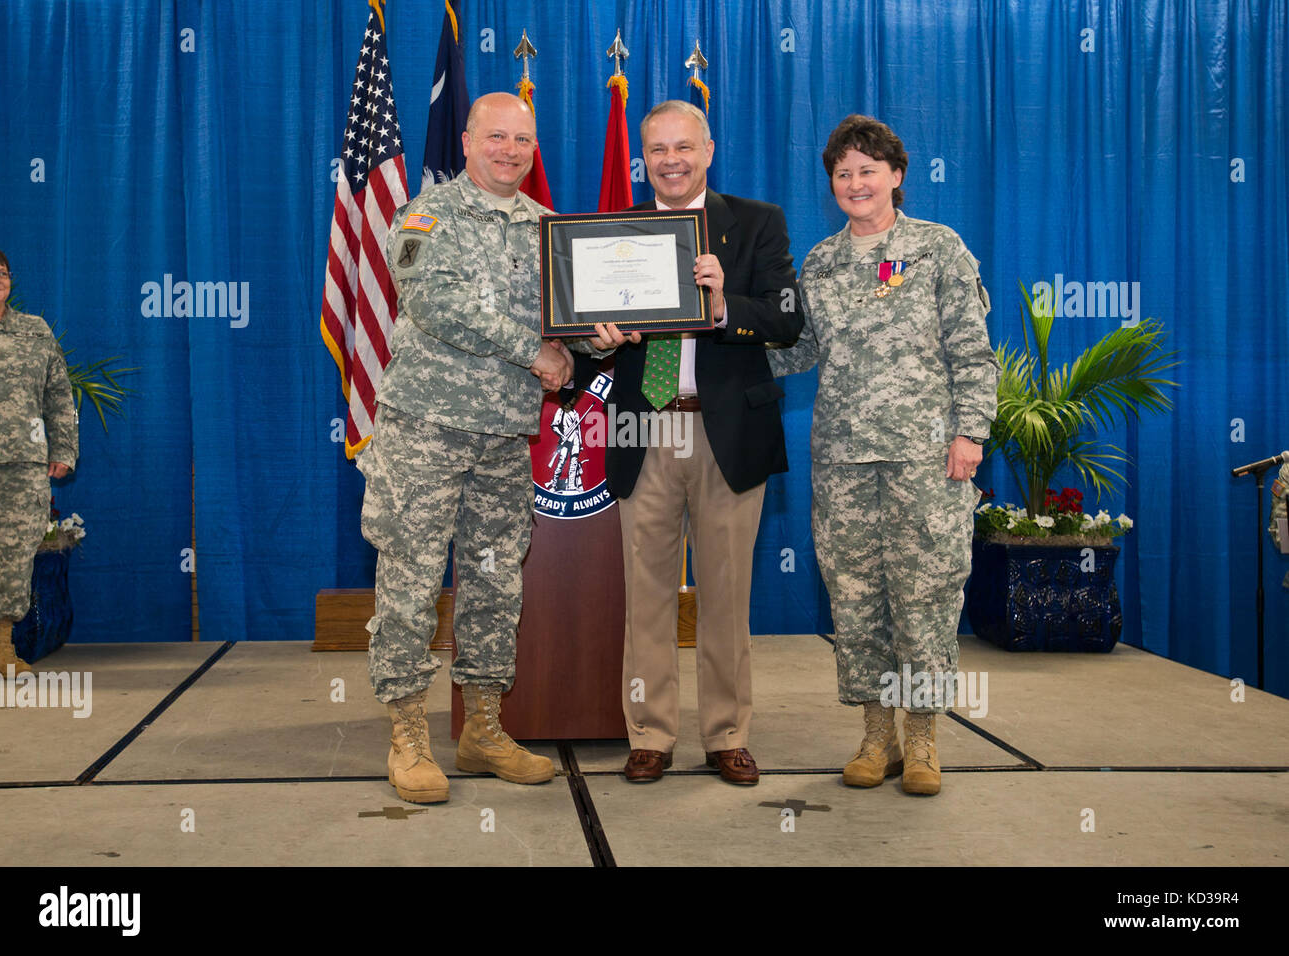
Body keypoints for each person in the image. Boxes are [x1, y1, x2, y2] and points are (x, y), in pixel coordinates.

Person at [362, 92, 608, 804]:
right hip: (425, 430)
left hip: (505, 437)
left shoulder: (550, 229)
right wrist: (536, 352)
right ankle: (408, 734)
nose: (510, 149)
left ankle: (483, 728)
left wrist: (609, 331)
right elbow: (434, 304)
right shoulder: (428, 215)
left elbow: (577, 321)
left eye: (522, 139)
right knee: (410, 582)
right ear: (467, 142)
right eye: (495, 136)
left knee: (497, 582)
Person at [769, 115, 999, 796]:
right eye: (843, 172)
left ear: (897, 176)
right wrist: (719, 322)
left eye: (869, 169)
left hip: (927, 461)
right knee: (857, 600)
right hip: (843, 464)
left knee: (924, 597)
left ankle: (923, 741)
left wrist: (971, 433)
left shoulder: (938, 249)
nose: (856, 182)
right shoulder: (820, 262)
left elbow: (971, 349)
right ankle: (877, 736)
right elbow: (799, 352)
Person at [586, 100, 803, 785]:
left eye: (685, 146)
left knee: (726, 594)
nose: (672, 160)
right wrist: (595, 341)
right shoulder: (615, 233)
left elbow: (787, 319)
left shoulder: (757, 222)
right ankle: (649, 733)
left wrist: (723, 308)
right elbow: (583, 336)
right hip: (642, 426)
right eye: (658, 150)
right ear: (640, 159)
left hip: (725, 431)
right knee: (644, 596)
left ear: (709, 149)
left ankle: (726, 734)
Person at [0, 248, 78, 678]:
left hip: (22, 466)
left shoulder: (34, 332)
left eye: (2, 272)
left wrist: (63, 448)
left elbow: (58, 394)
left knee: (13, 556)